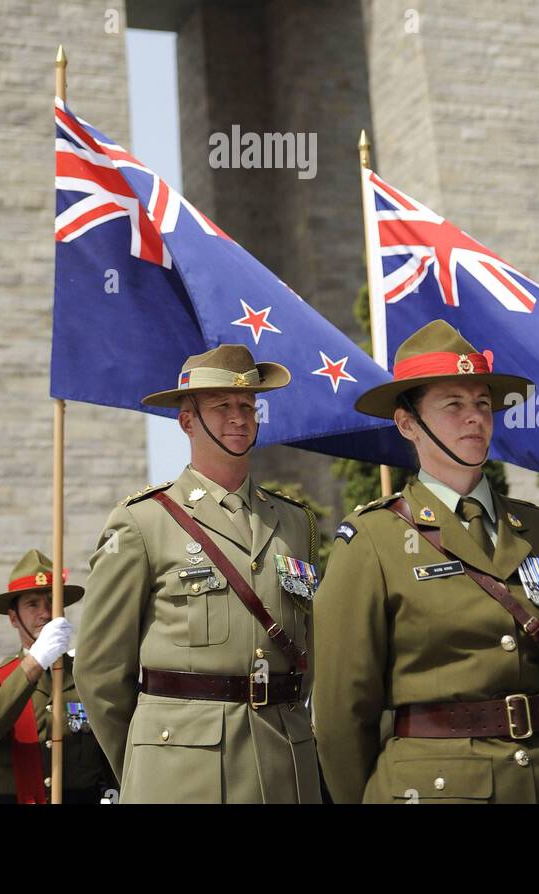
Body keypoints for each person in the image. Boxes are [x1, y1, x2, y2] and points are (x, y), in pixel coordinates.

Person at [314, 320, 539, 804]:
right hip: (436, 790)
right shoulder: (371, 540)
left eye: (482, 404)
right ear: (408, 424)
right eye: (454, 405)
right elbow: (343, 712)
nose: (475, 418)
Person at [74, 343, 322, 804]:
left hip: (284, 767)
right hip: (182, 774)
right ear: (187, 421)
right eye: (222, 406)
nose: (239, 417)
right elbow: (100, 670)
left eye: (248, 405)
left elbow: (312, 650)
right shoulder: (143, 522)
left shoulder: (294, 523)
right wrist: (147, 762)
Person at [0, 549, 113, 803]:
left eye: (52, 602)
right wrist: (35, 662)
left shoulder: (88, 675)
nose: (45, 613)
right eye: (32, 604)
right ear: (13, 618)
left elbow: (114, 749)